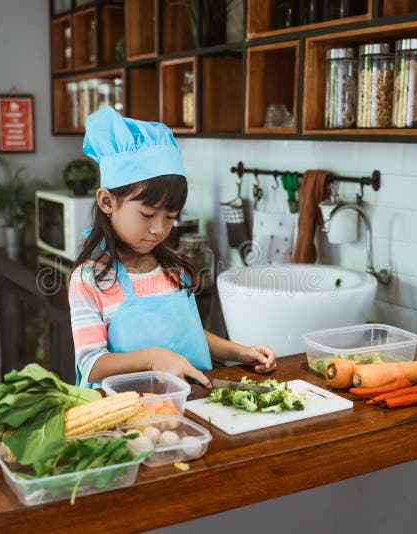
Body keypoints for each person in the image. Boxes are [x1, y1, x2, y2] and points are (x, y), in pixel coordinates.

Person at [68, 107, 276, 388]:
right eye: (147, 215)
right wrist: (153, 358)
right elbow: (92, 364)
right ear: (107, 202)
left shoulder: (173, 268)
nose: (159, 229)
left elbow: (191, 335)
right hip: (129, 416)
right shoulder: (91, 279)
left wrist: (240, 352)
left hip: (192, 403)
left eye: (170, 217)